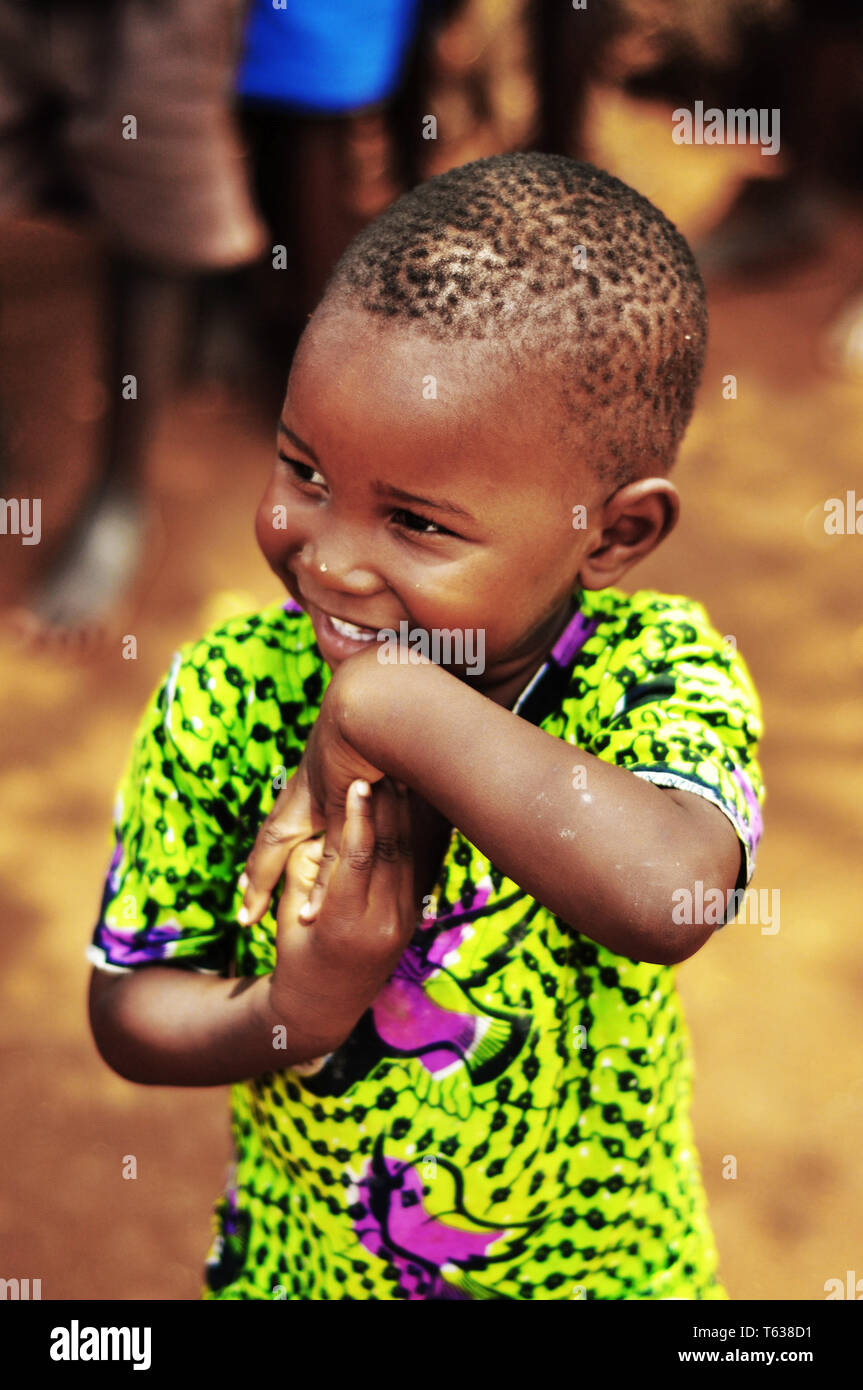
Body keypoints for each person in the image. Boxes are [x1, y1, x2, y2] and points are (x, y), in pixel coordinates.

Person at [86, 152, 764, 1301]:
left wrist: (384, 703)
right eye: (303, 468)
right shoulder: (231, 692)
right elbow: (128, 1006)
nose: (326, 556)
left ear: (612, 536)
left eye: (416, 521)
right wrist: (292, 1012)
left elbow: (666, 896)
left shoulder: (652, 675)